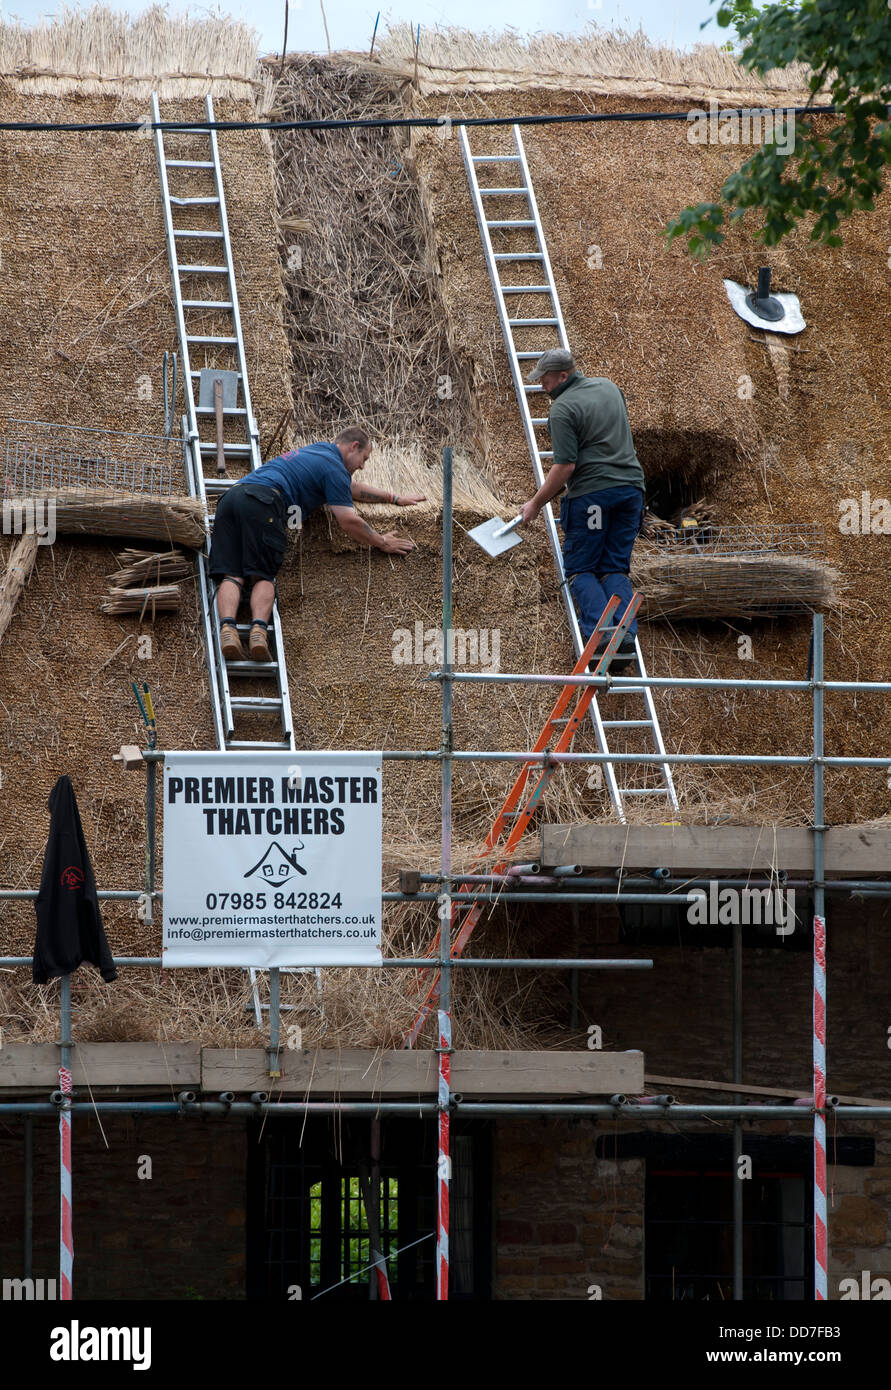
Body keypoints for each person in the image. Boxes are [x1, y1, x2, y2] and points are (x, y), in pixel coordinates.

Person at [208, 425, 424, 662]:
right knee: (262, 576)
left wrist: (394, 498)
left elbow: (350, 488)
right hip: (265, 504)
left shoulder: (319, 452)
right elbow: (348, 520)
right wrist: (382, 542)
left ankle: (227, 630)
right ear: (354, 447)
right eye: (364, 458)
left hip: (231, 499)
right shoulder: (334, 469)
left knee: (233, 575)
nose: (363, 466)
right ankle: (258, 632)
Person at [518, 349, 646, 668]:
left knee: (581, 569)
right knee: (615, 567)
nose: (542, 387)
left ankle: (603, 635)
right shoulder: (608, 387)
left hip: (593, 498)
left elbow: (565, 467)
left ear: (563, 376)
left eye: (545, 381)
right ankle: (625, 632)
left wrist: (535, 503)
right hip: (631, 491)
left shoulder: (562, 410)